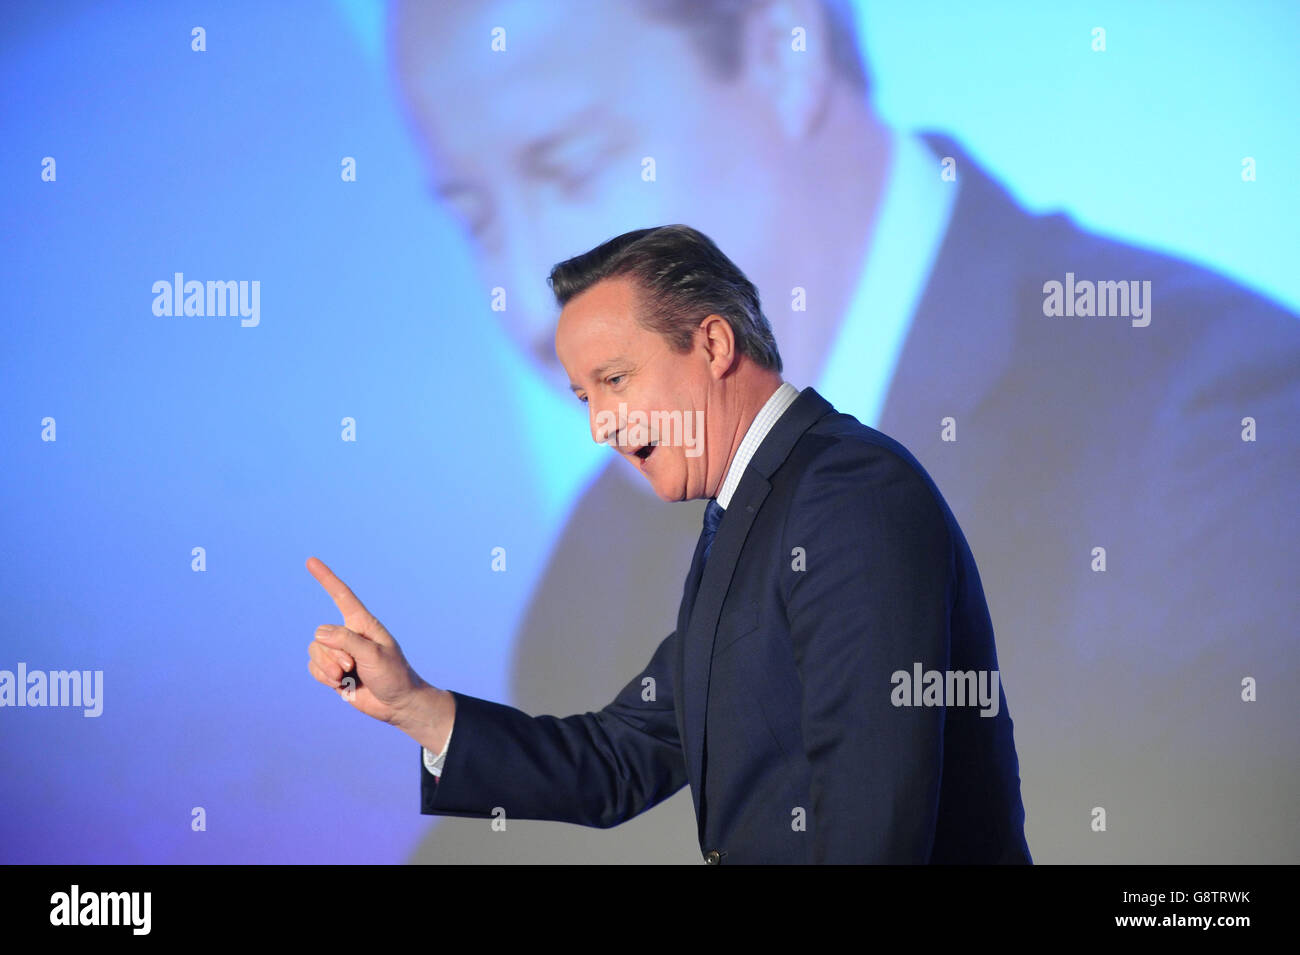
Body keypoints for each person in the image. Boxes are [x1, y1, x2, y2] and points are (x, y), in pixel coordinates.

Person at [388, 0, 1300, 864]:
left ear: (786, 51)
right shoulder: (604, 549)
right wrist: (425, 714)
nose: (521, 305)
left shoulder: (1216, 421)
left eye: (573, 166)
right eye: (473, 216)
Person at [308, 225, 1032, 864]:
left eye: (615, 380)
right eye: (585, 397)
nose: (600, 425)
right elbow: (619, 756)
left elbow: (873, 813)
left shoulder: (844, 489)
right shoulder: (749, 513)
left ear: (713, 343)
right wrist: (415, 706)